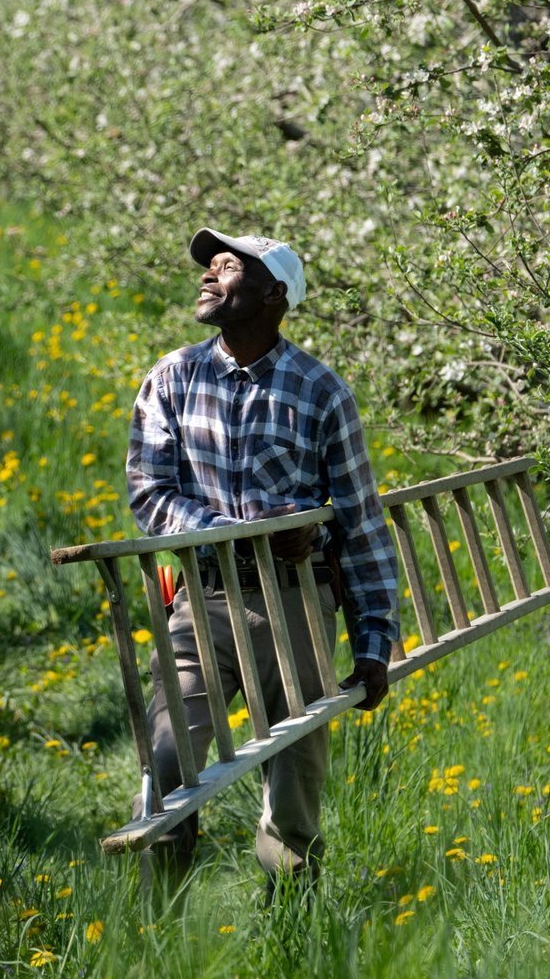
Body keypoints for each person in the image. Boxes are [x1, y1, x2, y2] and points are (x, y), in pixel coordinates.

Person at [124, 228, 401, 888]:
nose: (207, 276)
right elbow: (149, 492)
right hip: (201, 600)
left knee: (293, 788)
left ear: (275, 294)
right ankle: (152, 922)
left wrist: (374, 642)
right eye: (209, 266)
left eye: (227, 267)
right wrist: (241, 533)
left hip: (294, 604)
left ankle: (292, 925)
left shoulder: (321, 391)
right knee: (167, 763)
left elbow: (358, 520)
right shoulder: (173, 378)